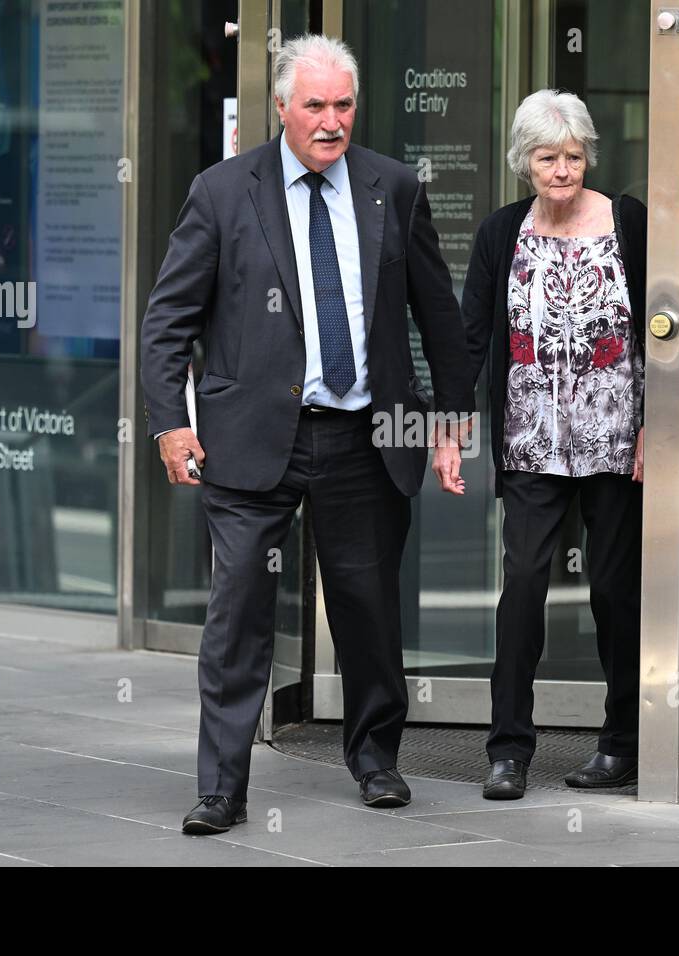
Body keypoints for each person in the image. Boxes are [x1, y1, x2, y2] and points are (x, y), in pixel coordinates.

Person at [140, 34, 474, 834]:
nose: (331, 122)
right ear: (282, 107)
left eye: (344, 105)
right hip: (251, 438)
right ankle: (221, 786)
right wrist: (169, 423)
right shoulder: (223, 192)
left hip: (365, 434)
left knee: (366, 607)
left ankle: (375, 759)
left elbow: (438, 314)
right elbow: (167, 321)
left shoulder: (394, 186)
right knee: (238, 613)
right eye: (315, 105)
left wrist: (450, 422)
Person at [462, 90, 647, 799]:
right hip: (532, 439)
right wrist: (451, 424)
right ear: (524, 162)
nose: (562, 170)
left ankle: (622, 743)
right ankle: (508, 750)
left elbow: (664, 332)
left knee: (613, 594)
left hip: (615, 442)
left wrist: (657, 432)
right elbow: (470, 336)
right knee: (524, 590)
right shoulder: (500, 232)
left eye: (572, 156)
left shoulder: (627, 220)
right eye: (547, 157)